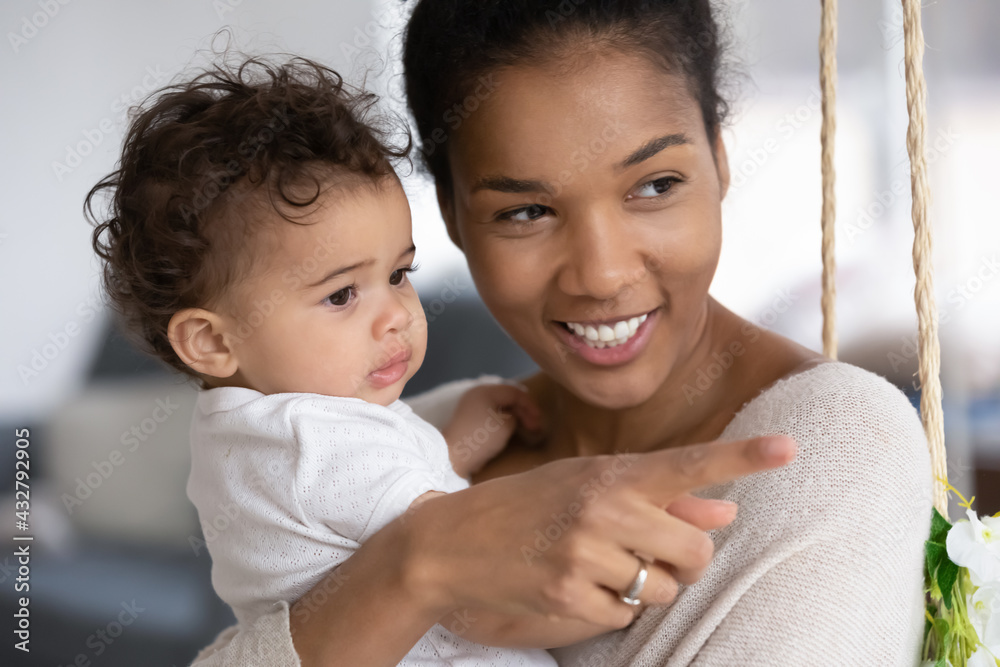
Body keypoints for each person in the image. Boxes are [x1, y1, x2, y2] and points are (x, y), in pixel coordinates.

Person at [174, 1, 927, 665]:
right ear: (452, 218)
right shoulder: (410, 430)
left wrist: (402, 577)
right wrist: (417, 562)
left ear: (720, 162)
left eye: (655, 185)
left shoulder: (830, 443)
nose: (600, 274)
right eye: (525, 211)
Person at [88, 54, 675, 664]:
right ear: (211, 342)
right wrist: (620, 597)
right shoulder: (310, 443)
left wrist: (458, 440)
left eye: (398, 273)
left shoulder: (264, 432)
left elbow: (366, 516)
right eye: (341, 294)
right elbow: (472, 595)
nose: (396, 313)